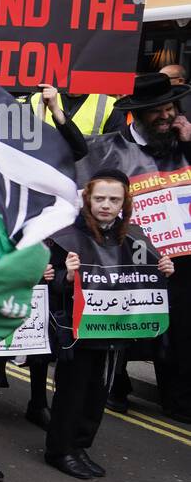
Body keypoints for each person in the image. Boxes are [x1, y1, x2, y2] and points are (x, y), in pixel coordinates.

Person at [43, 169, 174, 478]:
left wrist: (163, 270)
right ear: (87, 199)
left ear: (124, 203)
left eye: (113, 200)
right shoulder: (66, 236)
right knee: (72, 392)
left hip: (115, 331)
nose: (106, 205)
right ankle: (60, 450)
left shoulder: (134, 237)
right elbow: (49, 284)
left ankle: (79, 446)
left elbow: (144, 280)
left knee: (98, 393)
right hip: (79, 334)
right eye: (99, 198)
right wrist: (68, 276)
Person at [79, 73, 191, 420]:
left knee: (182, 328)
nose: (166, 116)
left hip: (181, 256)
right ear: (139, 113)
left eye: (170, 108)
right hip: (129, 254)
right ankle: (117, 387)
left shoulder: (182, 142)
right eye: (157, 111)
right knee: (129, 321)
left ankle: (179, 399)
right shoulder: (111, 147)